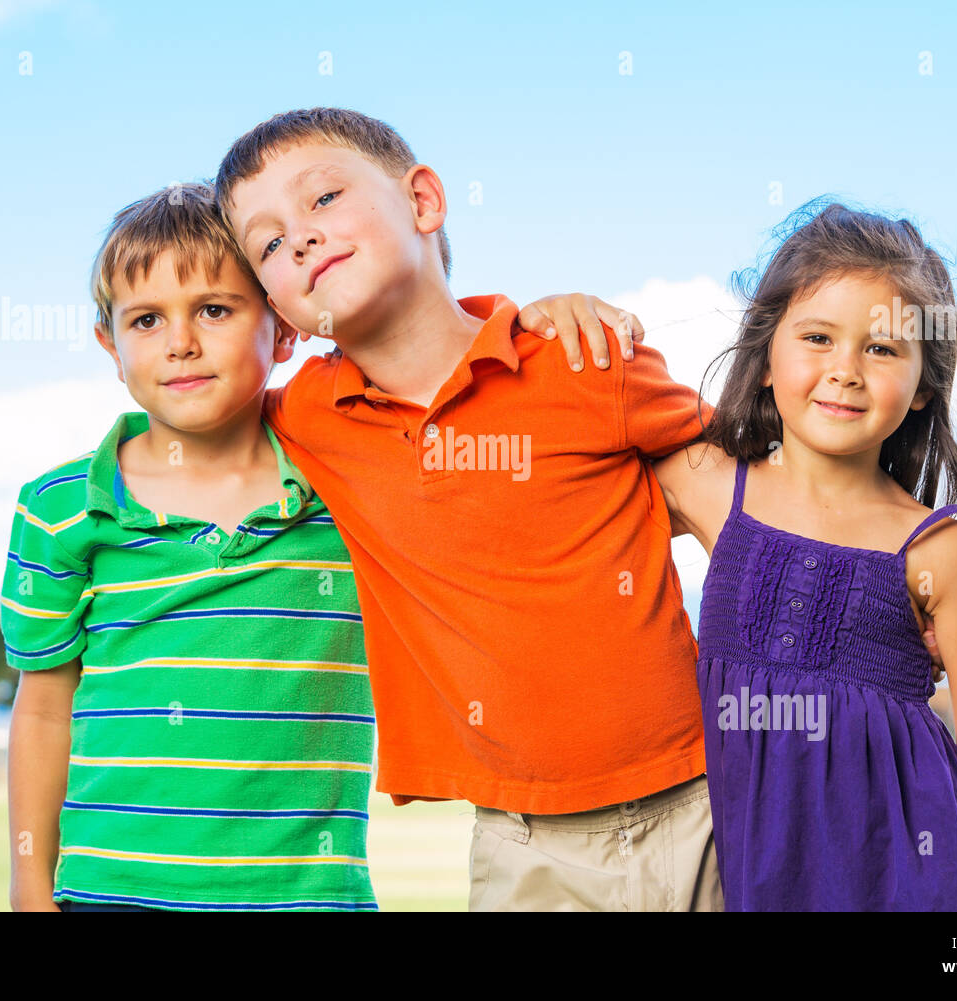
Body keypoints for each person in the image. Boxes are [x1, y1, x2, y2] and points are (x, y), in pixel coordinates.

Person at [3, 180, 644, 912]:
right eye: (146, 319)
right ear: (110, 346)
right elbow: (45, 708)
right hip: (108, 895)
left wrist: (539, 326)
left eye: (214, 310)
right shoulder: (57, 509)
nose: (181, 342)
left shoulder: (346, 468)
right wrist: (29, 881)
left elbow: (453, 393)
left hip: (312, 896)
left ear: (283, 328)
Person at [215, 107, 722, 911]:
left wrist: (918, 576)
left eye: (323, 199)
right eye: (268, 244)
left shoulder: (578, 356)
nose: (301, 239)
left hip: (711, 800)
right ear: (278, 309)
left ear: (423, 202)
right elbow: (193, 407)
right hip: (520, 843)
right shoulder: (303, 420)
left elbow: (769, 504)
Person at [654, 201, 957, 910]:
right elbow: (571, 490)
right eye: (818, 337)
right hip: (747, 870)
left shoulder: (943, 551)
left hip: (911, 879)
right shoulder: (708, 484)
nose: (847, 370)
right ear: (766, 357)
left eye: (883, 348)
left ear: (924, 385)